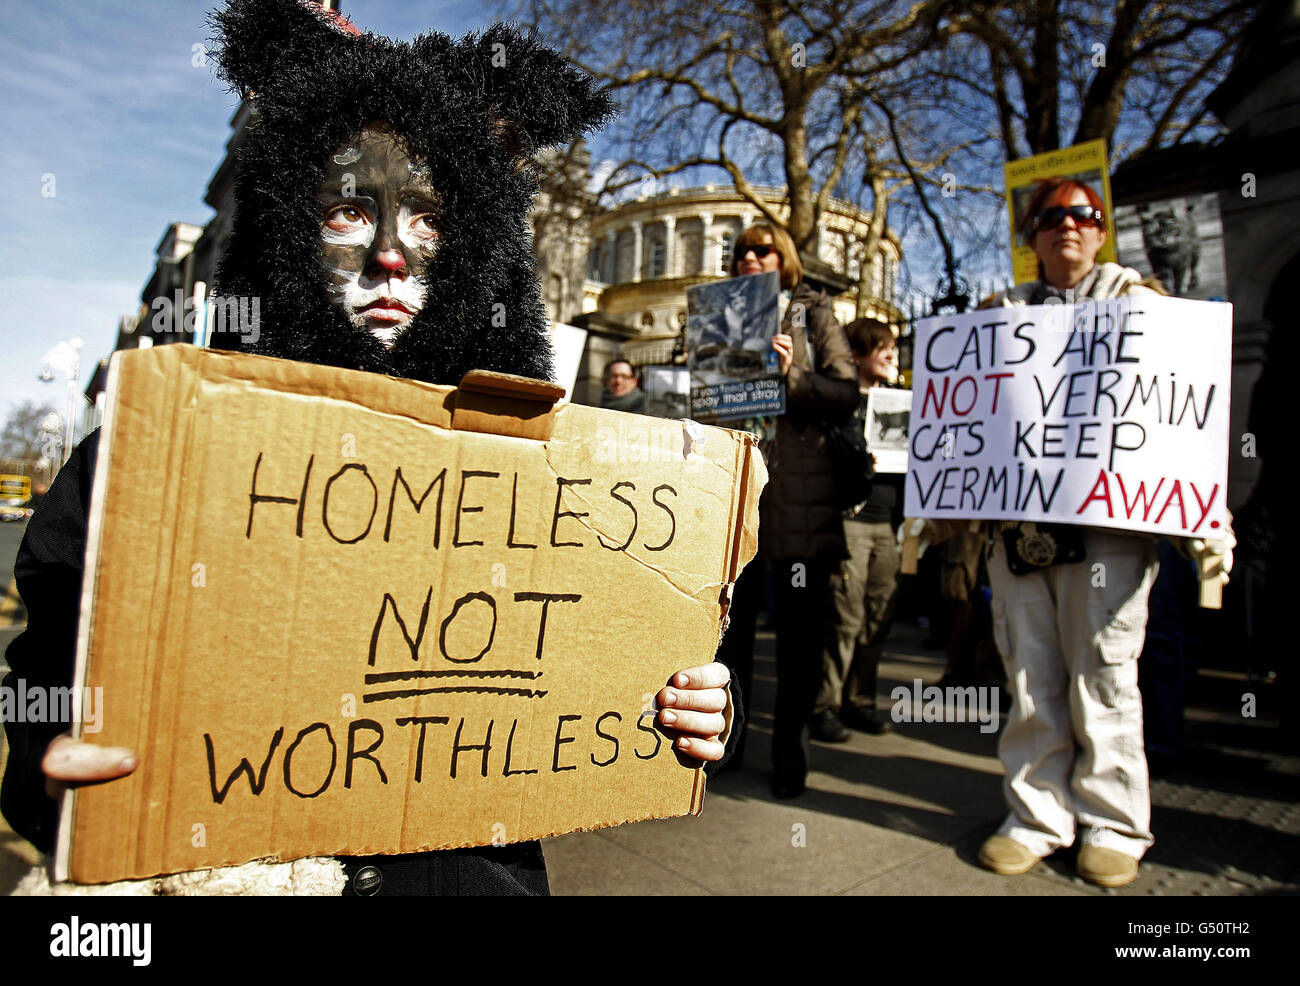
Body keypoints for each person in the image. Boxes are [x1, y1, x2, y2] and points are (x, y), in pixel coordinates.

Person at [1, 0, 740, 896]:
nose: (392, 253)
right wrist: (53, 771)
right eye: (350, 208)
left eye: (428, 218)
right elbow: (41, 686)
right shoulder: (134, 470)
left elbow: (597, 666)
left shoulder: (547, 483)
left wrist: (685, 706)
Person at [966, 177, 1233, 888]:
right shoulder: (998, 318)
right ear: (1032, 236)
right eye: (1050, 217)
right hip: (1020, 529)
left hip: (1108, 532)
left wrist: (1211, 531)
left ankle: (1115, 824)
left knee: (1105, 678)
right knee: (1029, 678)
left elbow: (1177, 423)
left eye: (1082, 214)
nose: (1067, 226)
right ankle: (1034, 818)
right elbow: (969, 433)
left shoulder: (1140, 307)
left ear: (1101, 228)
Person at [724, 223, 858, 798]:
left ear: (786, 259)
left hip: (798, 496)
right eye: (743, 251)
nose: (752, 257)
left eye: (764, 249)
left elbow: (846, 390)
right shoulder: (720, 314)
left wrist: (791, 374)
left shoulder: (813, 313)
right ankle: (727, 748)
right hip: (738, 494)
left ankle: (789, 758)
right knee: (732, 635)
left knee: (800, 638)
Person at [812, 318, 902, 741]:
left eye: (894, 348)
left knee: (877, 619)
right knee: (844, 618)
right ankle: (825, 705)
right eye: (881, 347)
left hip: (888, 526)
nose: (891, 355)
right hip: (852, 523)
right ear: (858, 353)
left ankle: (860, 701)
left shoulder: (905, 406)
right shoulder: (841, 404)